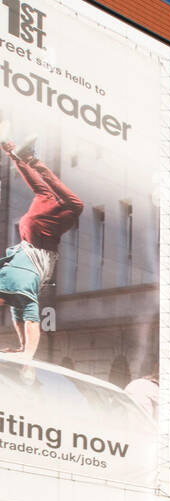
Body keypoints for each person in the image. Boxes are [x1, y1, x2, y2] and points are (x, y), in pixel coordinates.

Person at [0, 139, 84, 359]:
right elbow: (32, 178)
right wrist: (13, 155)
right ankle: (23, 348)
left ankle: (27, 353)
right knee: (16, 303)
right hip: (25, 254)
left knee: (22, 299)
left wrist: (34, 161)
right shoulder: (44, 196)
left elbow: (55, 184)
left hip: (35, 257)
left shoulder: (69, 210)